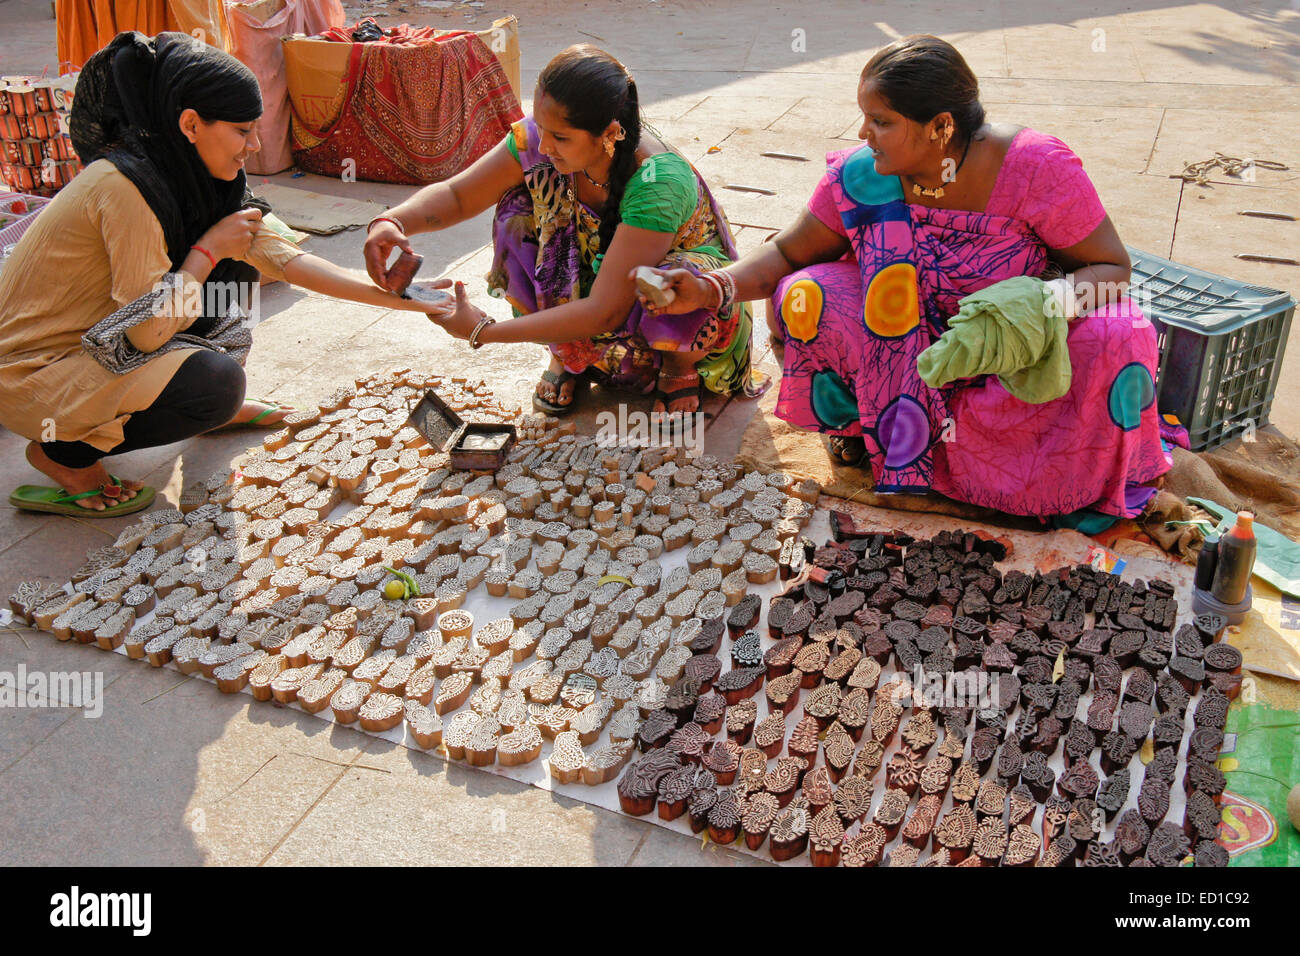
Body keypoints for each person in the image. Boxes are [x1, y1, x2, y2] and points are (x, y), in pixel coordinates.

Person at [637, 34, 1181, 521]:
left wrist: (1036, 306)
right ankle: (864, 432)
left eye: (881, 121)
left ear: (941, 127)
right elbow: (787, 251)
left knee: (1121, 333)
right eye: (864, 117)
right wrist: (713, 287)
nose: (863, 132)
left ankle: (1048, 478)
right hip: (903, 343)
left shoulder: (1034, 168)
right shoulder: (863, 175)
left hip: (1009, 345)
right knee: (805, 295)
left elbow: (1112, 269)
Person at [0, 32, 449, 518]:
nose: (254, 147)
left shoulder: (199, 175)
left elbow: (285, 259)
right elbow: (147, 332)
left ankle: (183, 406)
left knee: (236, 254)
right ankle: (64, 454)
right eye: (242, 131)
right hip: (34, 373)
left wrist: (404, 299)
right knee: (213, 384)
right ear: (190, 124)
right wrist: (206, 252)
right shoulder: (123, 187)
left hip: (98, 337)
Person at [364, 44, 764, 418]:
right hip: (600, 290)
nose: (545, 144)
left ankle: (678, 364)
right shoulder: (539, 140)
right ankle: (569, 351)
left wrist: (484, 332)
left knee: (674, 281)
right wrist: (391, 222)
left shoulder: (657, 182)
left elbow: (605, 310)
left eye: (561, 137)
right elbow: (457, 195)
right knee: (515, 212)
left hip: (666, 307)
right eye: (541, 127)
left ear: (609, 134)